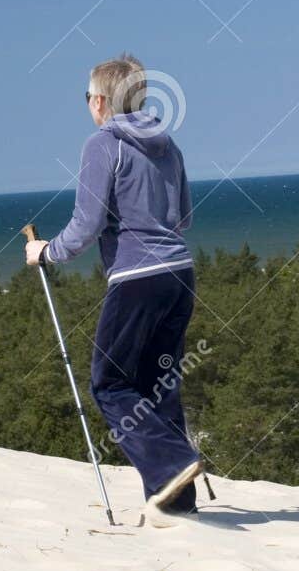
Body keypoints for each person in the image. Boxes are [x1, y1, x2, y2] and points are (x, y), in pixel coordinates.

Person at [25, 54, 202, 524]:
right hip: (179, 275)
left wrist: (46, 252)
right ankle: (176, 503)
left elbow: (86, 225)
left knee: (110, 384)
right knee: (159, 385)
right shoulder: (169, 145)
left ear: (100, 101)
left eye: (87, 97)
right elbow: (183, 217)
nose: (87, 105)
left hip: (136, 279)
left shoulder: (102, 144)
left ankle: (173, 464)